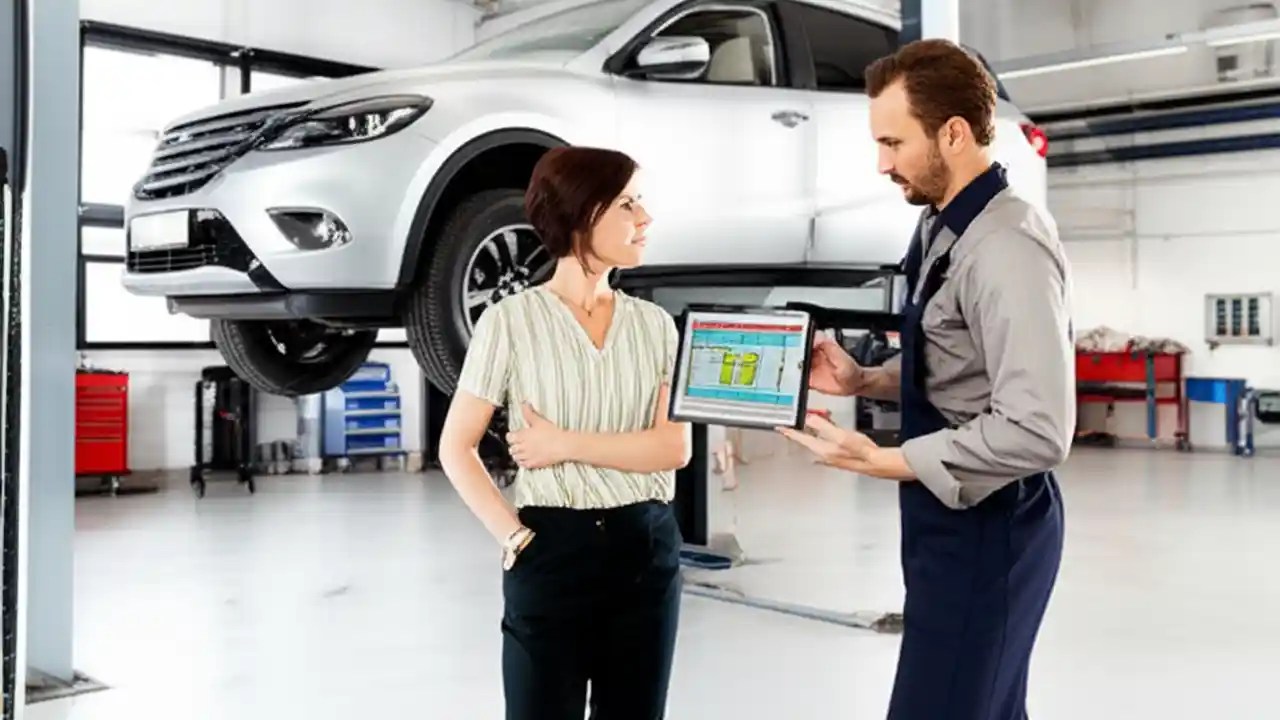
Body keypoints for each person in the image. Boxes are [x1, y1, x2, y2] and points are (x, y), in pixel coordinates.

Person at [777, 39, 1074, 719]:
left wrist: (888, 460)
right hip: (946, 515)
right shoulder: (943, 226)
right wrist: (865, 381)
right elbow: (961, 361)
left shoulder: (1006, 246)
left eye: (893, 142)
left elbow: (1038, 427)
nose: (881, 163)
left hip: (991, 524)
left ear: (954, 133)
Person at [437, 145, 691, 720]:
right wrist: (512, 536)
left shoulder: (655, 326)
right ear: (583, 213)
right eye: (628, 203)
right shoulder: (511, 320)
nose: (644, 218)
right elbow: (456, 447)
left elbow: (672, 448)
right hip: (550, 548)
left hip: (644, 548)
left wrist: (564, 444)